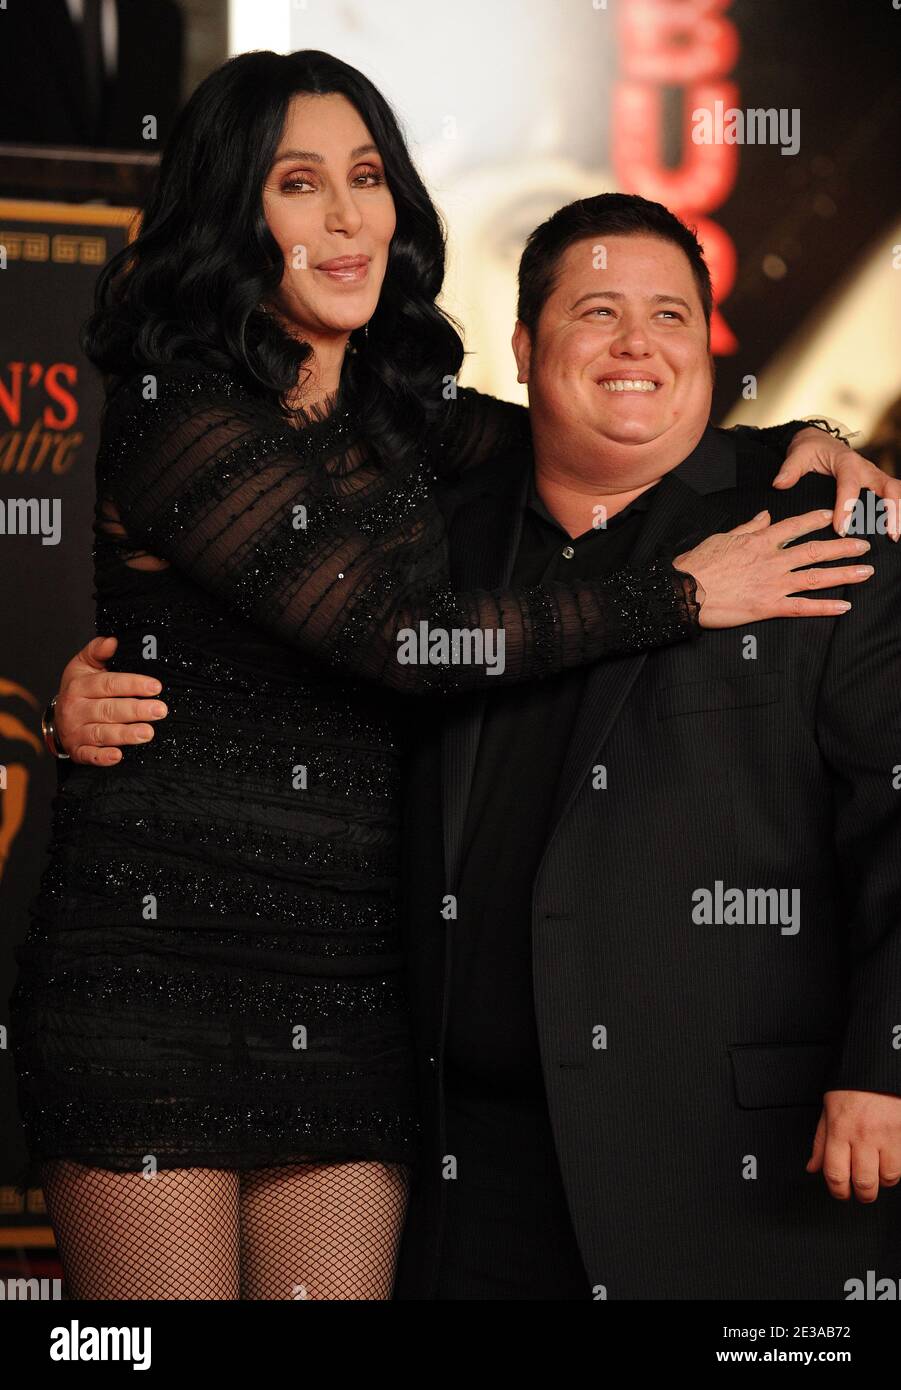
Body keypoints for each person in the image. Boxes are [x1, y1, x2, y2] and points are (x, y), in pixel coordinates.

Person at [17, 61, 887, 1304]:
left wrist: (807, 446)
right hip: (164, 979)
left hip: (356, 993)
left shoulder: (400, 412)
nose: (346, 217)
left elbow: (599, 415)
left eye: (365, 179)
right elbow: (396, 634)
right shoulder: (183, 419)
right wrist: (684, 594)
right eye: (299, 183)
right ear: (228, 210)